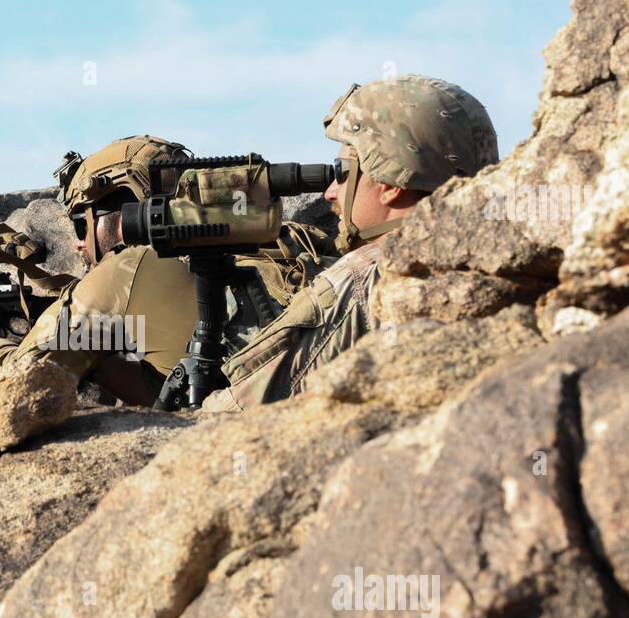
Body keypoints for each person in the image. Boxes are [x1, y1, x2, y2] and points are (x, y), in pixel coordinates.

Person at [0, 135, 290, 405]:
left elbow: (20, 387)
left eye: (81, 223)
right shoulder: (274, 243)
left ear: (122, 209)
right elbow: (185, 372)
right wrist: (94, 356)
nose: (78, 242)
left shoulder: (126, 270)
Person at [205, 75, 500, 412]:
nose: (331, 191)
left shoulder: (359, 278)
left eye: (343, 172)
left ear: (391, 185)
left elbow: (231, 415)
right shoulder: (496, 259)